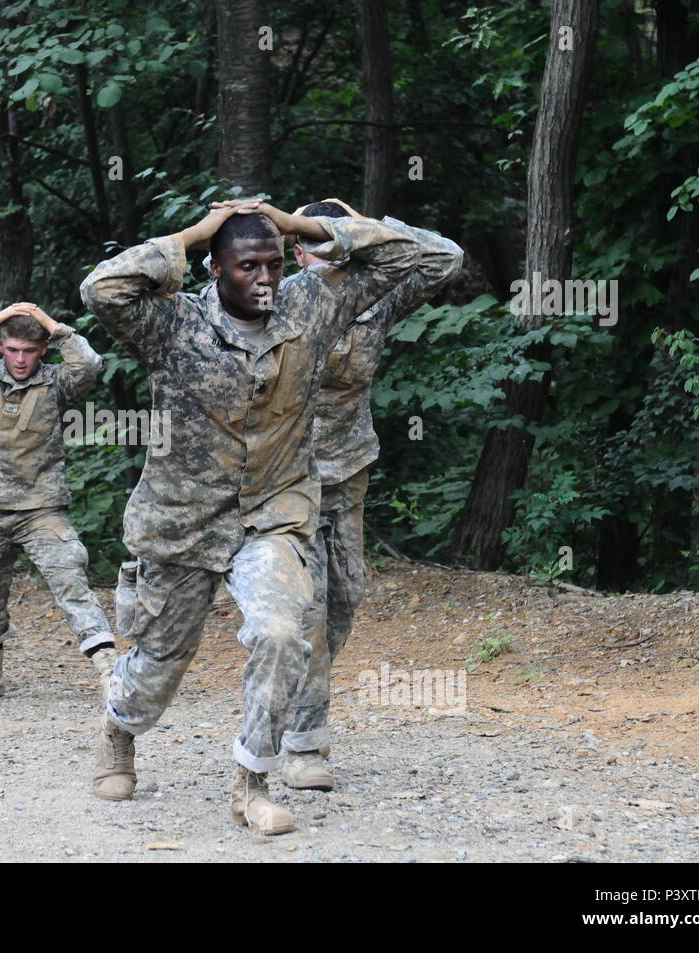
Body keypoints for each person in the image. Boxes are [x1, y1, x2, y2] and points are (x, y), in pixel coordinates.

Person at [79, 198, 422, 834]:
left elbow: (417, 253)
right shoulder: (172, 324)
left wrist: (300, 227)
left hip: (274, 513)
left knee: (281, 631)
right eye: (246, 266)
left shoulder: (312, 306)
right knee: (156, 667)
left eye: (271, 265)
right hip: (183, 521)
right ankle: (118, 732)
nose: (263, 278)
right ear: (215, 270)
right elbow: (101, 287)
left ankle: (251, 782)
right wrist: (195, 233)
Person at [279, 200, 465, 792]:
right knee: (307, 610)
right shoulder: (278, 299)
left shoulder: (373, 297)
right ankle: (303, 743)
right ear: (296, 250)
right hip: (287, 474)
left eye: (334, 243)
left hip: (348, 468)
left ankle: (287, 700)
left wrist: (365, 224)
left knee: (346, 599)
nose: (323, 256)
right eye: (311, 244)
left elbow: (446, 258)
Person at [0, 302, 117, 702]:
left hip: (39, 507)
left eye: (29, 350)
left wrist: (51, 325)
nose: (20, 359)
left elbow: (90, 364)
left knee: (70, 575)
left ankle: (111, 671)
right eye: (12, 349)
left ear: (42, 349)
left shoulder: (57, 382)